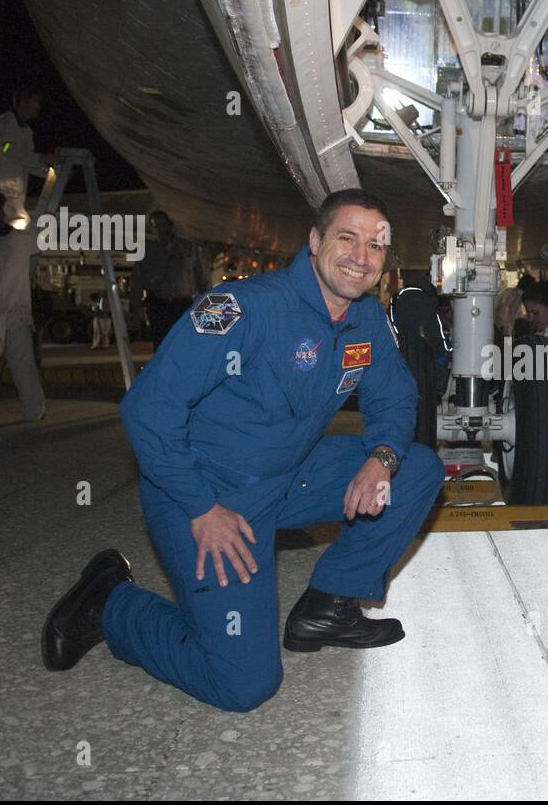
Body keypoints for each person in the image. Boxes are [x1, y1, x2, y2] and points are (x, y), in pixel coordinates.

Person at [42, 189, 444, 713]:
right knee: (242, 683)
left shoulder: (365, 318)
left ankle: (329, 604)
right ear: (316, 240)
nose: (360, 256)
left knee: (417, 468)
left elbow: (396, 397)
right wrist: (201, 507)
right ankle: (109, 602)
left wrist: (381, 457)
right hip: (207, 495)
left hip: (290, 476)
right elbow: (148, 409)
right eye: (347, 238)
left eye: (375, 245)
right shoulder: (242, 308)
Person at [0, 194, 46, 425]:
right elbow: (42, 245)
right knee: (24, 368)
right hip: (16, 315)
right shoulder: (23, 239)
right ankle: (34, 412)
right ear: (2, 213)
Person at [0, 89, 56, 228]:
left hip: (8, 187)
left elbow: (27, 160)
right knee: (3, 222)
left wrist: (50, 172)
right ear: (22, 102)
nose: (39, 107)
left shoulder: (26, 131)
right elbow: (9, 151)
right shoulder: (4, 123)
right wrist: (45, 158)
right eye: (36, 102)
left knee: (17, 224)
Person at [129, 210, 211, 351]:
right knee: (161, 343)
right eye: (156, 226)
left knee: (183, 343)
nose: (160, 229)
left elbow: (201, 277)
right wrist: (136, 306)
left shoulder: (188, 247)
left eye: (163, 225)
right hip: (158, 303)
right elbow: (137, 279)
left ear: (170, 225)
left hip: (182, 302)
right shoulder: (147, 250)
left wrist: (206, 302)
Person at [388, 268, 451, 395]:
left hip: (401, 369)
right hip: (424, 373)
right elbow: (436, 340)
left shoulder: (397, 298)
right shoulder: (425, 300)